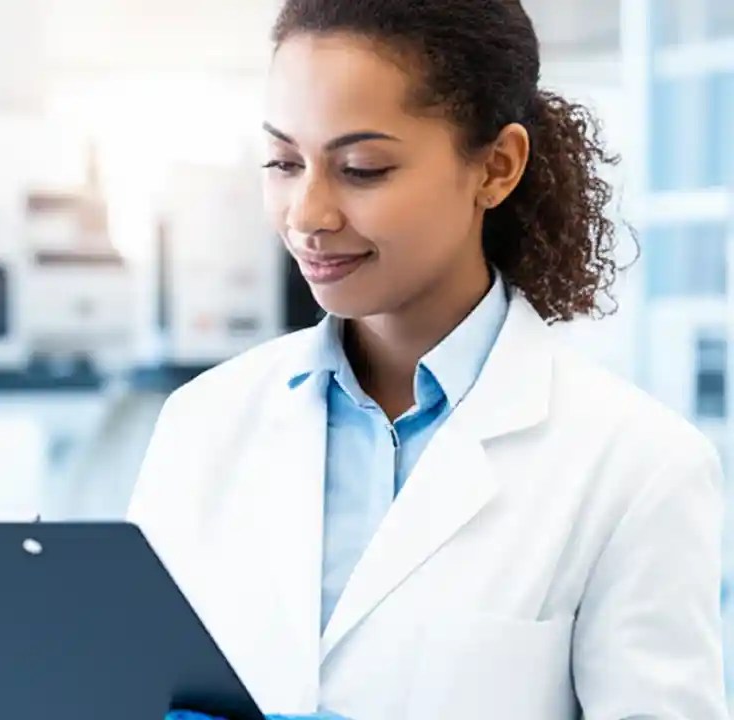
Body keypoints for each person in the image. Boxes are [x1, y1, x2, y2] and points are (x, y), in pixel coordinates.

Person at [128, 0, 727, 718]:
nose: (307, 214)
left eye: (362, 169)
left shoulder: (638, 466)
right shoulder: (202, 421)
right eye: (284, 163)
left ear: (496, 168)